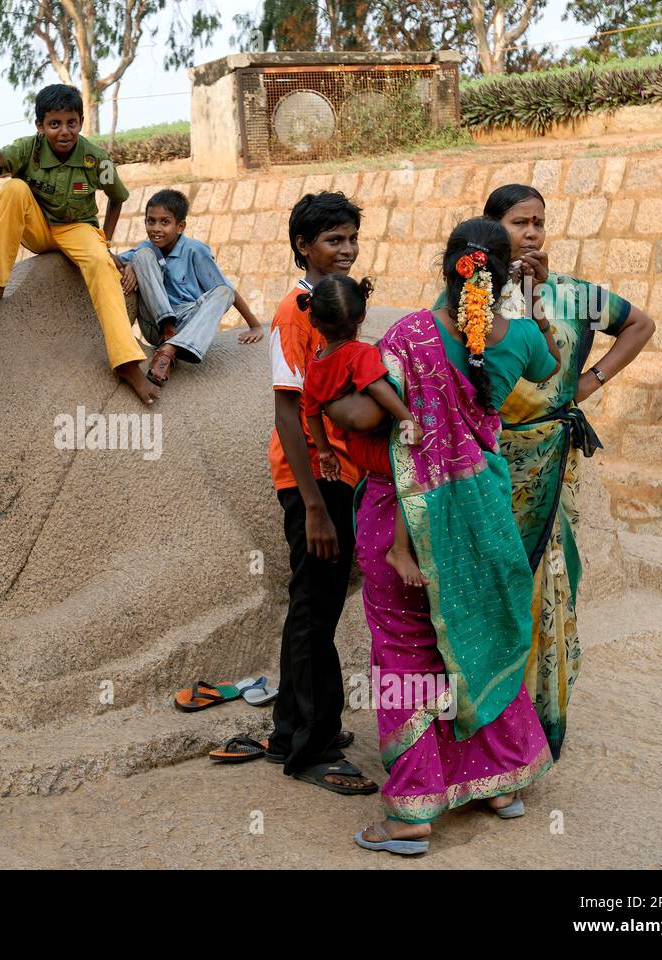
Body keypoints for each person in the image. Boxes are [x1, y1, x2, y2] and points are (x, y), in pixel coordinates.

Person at [336, 218, 561, 855]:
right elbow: (548, 367)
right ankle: (498, 782)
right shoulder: (516, 336)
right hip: (484, 516)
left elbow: (367, 415)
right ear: (499, 271)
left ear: (447, 266)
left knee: (408, 652)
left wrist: (325, 384)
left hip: (406, 521)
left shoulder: (409, 334)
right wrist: (532, 300)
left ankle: (411, 813)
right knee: (478, 636)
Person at [474, 183, 655, 760]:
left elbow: (640, 325)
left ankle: (535, 722)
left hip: (554, 463)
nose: (530, 233)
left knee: (549, 585)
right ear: (491, 229)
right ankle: (486, 729)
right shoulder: (473, 300)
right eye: (518, 223)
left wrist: (592, 380)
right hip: (489, 462)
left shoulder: (574, 296)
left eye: (538, 223)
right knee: (493, 585)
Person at [264, 192, 376, 795]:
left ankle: (292, 731)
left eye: (352, 239)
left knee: (314, 606)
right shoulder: (294, 313)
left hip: (337, 475)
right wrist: (312, 506)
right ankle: (313, 749)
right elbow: (287, 411)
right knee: (315, 611)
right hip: (312, 478)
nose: (348, 250)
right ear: (304, 246)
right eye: (335, 240)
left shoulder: (334, 305)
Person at [0, 83, 158, 405]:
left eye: (71, 122)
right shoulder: (29, 148)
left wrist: (104, 242)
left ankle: (126, 362)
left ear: (81, 122)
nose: (64, 131)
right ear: (40, 127)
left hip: (78, 229)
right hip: (39, 229)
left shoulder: (96, 159)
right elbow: (1, 156)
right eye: (54, 124)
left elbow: (117, 199)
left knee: (100, 264)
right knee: (14, 189)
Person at [296, 274, 426, 587]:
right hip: (378, 446)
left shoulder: (315, 365)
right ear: (362, 317)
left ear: (313, 319)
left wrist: (325, 450)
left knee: (385, 480)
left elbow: (311, 412)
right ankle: (400, 549)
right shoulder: (361, 353)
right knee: (411, 479)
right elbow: (377, 387)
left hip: (356, 447)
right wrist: (407, 417)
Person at [117, 189, 263, 385]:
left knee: (224, 291)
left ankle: (169, 350)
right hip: (154, 325)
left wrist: (254, 325)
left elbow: (226, 290)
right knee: (141, 256)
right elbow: (113, 260)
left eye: (165, 222)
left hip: (186, 323)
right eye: (151, 221)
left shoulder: (196, 250)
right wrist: (129, 265)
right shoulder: (145, 248)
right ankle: (167, 331)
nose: (156, 228)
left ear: (180, 226)